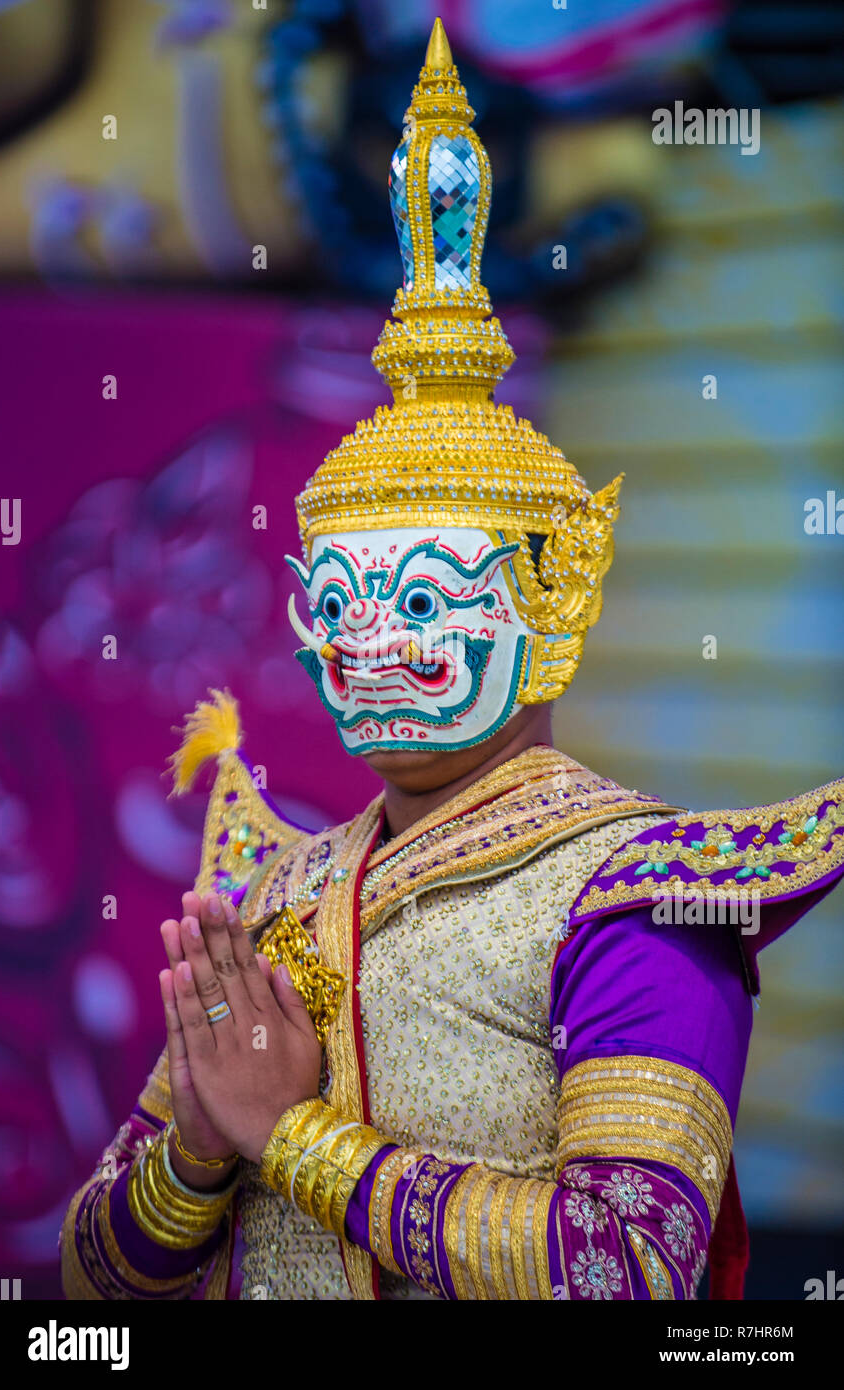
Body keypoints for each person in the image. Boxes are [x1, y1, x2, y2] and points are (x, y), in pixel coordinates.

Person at [60, 19, 843, 1302]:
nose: (374, 640)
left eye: (422, 596)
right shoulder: (273, 896)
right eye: (348, 601)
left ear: (554, 597)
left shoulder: (634, 893)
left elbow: (626, 1266)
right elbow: (91, 1287)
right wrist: (198, 1151)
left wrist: (290, 1135)